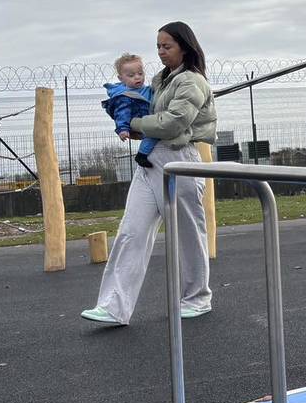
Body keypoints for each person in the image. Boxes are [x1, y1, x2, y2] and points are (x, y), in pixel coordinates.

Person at [82, 22, 218, 326]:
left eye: (167, 45)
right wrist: (121, 109)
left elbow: (173, 123)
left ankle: (198, 298)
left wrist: (137, 125)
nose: (161, 51)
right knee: (132, 232)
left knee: (188, 234)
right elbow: (138, 106)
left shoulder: (191, 82)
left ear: (184, 46)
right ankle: (114, 306)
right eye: (158, 45)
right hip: (149, 160)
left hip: (179, 159)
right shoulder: (158, 80)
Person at [102, 53, 159, 168]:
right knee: (154, 134)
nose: (137, 77)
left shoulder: (147, 90)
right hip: (138, 124)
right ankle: (142, 155)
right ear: (121, 78)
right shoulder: (124, 96)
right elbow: (122, 113)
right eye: (131, 75)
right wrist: (123, 129)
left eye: (140, 73)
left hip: (149, 120)